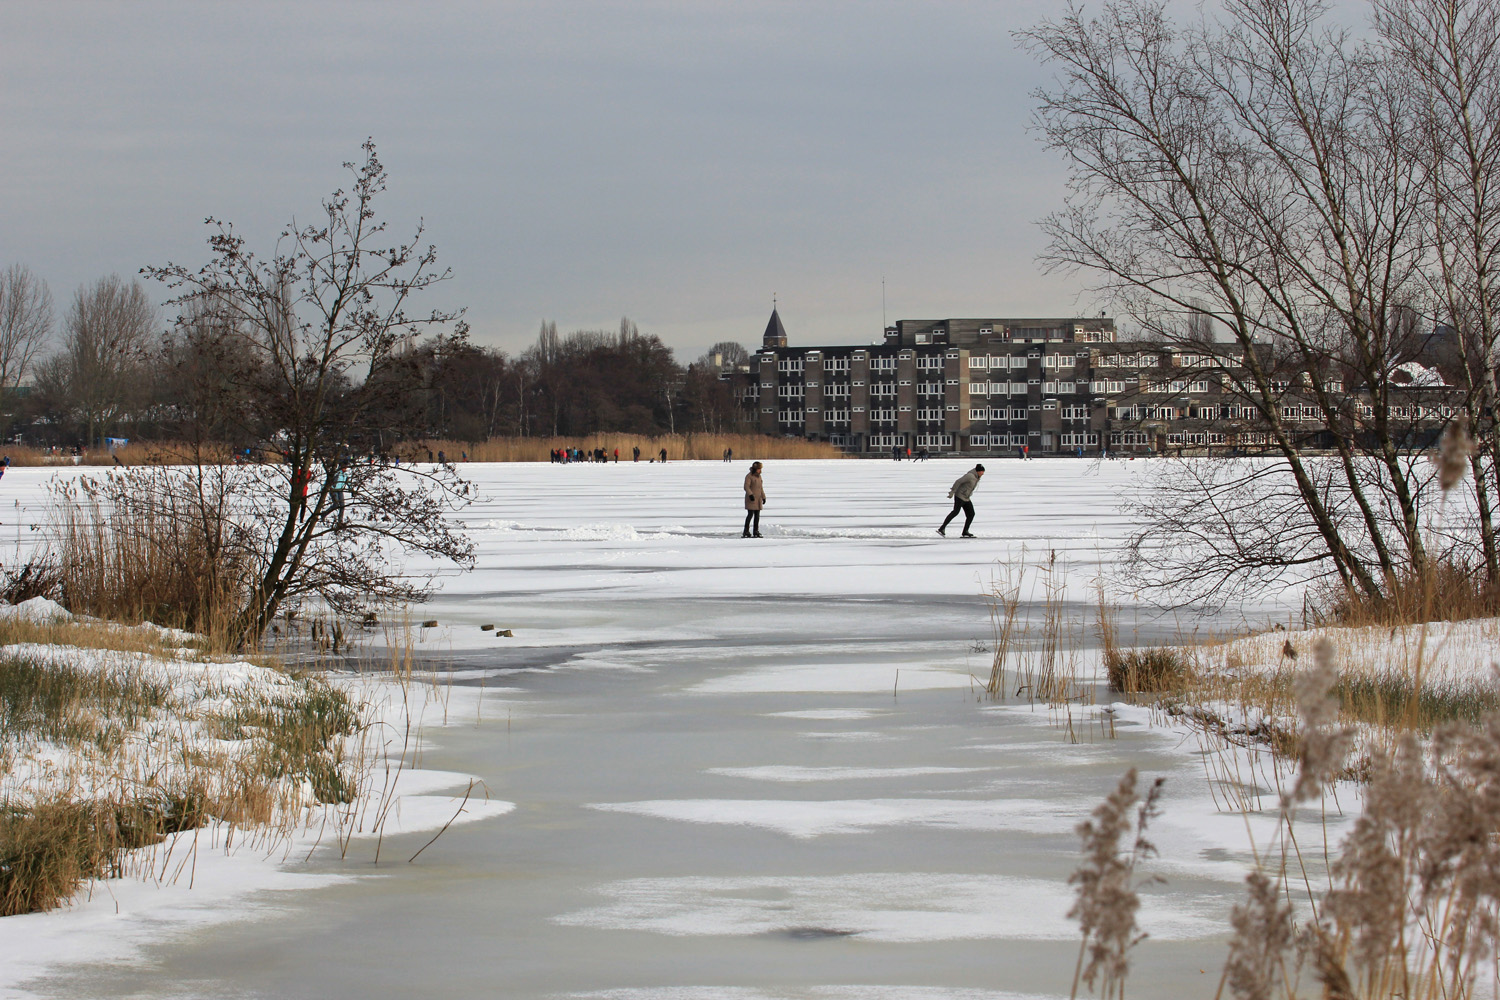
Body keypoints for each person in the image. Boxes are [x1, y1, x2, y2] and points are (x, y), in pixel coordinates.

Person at [938, 464, 985, 537]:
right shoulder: (970, 476)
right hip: (959, 496)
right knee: (955, 512)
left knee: (971, 514)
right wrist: (952, 492)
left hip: (966, 498)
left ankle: (965, 532)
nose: (983, 473)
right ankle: (942, 528)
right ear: (978, 471)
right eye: (982, 472)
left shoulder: (976, 477)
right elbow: (958, 481)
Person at [743, 461, 766, 538]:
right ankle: (746, 531)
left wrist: (763, 497)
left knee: (757, 516)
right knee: (750, 515)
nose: (760, 470)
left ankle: (756, 531)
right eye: (759, 469)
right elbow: (746, 486)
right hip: (751, 499)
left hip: (758, 500)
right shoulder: (749, 476)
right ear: (755, 469)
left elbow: (760, 488)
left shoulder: (759, 477)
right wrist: (750, 495)